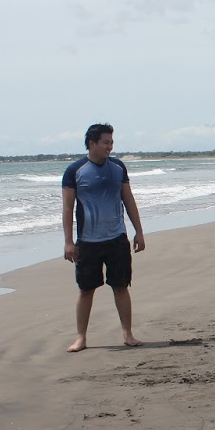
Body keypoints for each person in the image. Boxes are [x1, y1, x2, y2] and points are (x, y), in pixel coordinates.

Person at [63, 123, 146, 351]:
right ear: (92, 143)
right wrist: (69, 242)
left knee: (121, 286)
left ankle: (128, 334)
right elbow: (68, 208)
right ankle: (81, 337)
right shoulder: (75, 171)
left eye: (111, 142)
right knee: (86, 289)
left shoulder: (118, 167)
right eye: (105, 142)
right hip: (88, 242)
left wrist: (138, 231)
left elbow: (128, 200)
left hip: (117, 238)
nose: (110, 146)